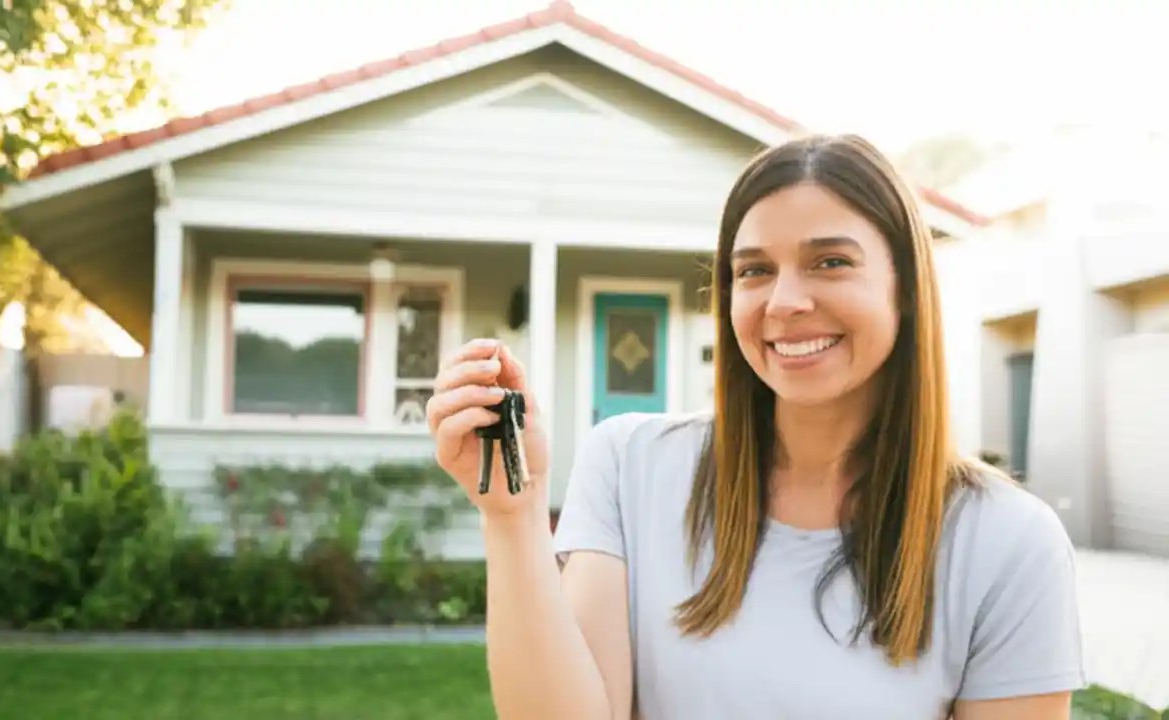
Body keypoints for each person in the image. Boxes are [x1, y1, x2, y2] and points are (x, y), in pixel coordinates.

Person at [425, 134, 1086, 719]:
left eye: (830, 261)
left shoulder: (1008, 542)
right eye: (754, 270)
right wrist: (512, 516)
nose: (786, 301)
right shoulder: (630, 464)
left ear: (905, 288)